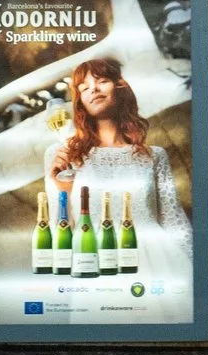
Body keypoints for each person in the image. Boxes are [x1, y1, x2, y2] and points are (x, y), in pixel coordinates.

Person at [46, 55, 192, 261]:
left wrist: (193, 272)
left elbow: (174, 222)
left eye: (102, 81)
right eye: (84, 88)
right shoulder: (61, 155)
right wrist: (63, 190)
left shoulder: (154, 156)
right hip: (94, 260)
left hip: (159, 260)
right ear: (80, 103)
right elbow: (57, 233)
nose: (94, 89)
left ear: (120, 87)